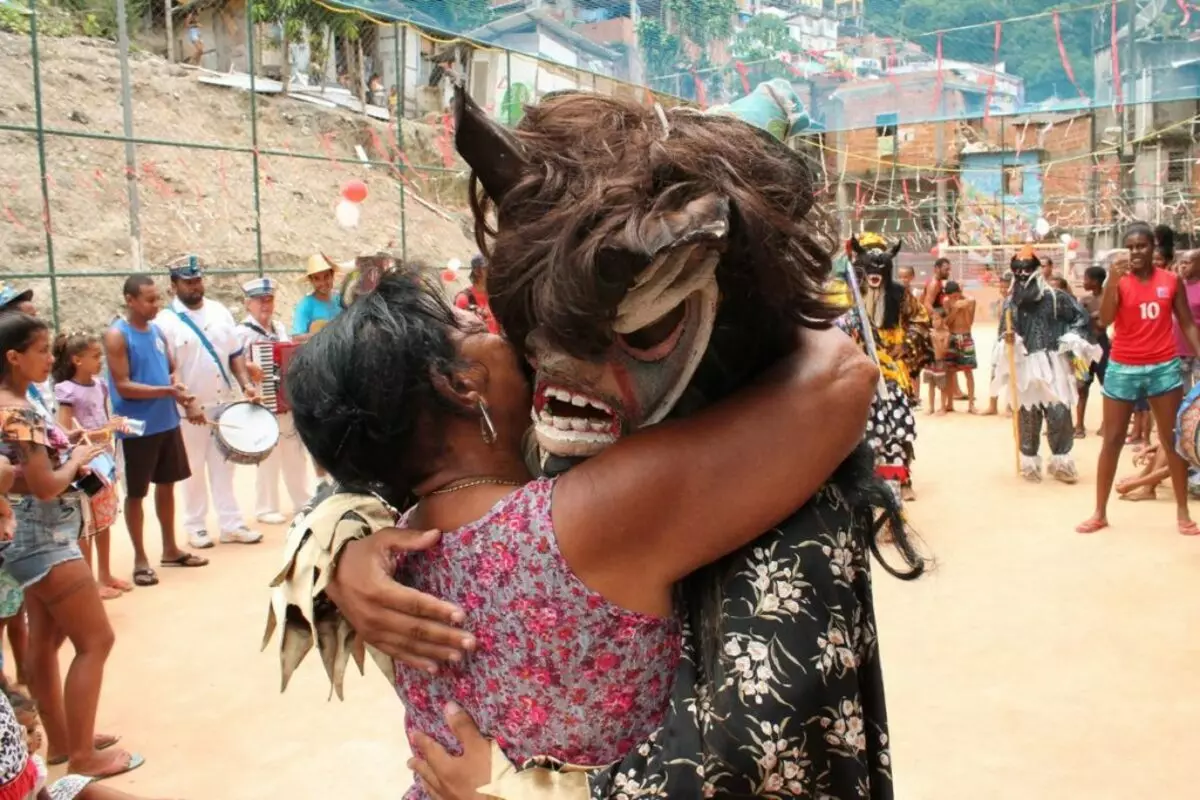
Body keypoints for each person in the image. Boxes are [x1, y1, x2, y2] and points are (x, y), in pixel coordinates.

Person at [272, 80, 923, 799]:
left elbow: (839, 377)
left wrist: (339, 539)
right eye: (503, 329)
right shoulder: (563, 483)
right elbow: (842, 376)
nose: (545, 358)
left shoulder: (419, 529)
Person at [0, 313, 143, 780]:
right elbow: (44, 485)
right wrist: (77, 459)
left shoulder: (13, 402)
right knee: (96, 639)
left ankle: (64, 739)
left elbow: (21, 472)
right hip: (43, 535)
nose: (49, 359)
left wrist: (67, 445)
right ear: (14, 357)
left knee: (45, 639)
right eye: (41, 351)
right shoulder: (18, 409)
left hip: (26, 535)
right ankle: (83, 756)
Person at [1078, 223, 1200, 535]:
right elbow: (1104, 321)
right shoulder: (1119, 281)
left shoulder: (1171, 281)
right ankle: (1100, 512)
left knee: (1172, 441)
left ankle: (1182, 513)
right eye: (1130, 247)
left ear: (1152, 248)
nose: (1136, 252)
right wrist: (1112, 283)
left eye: (1142, 246)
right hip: (1122, 367)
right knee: (1113, 440)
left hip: (1163, 367)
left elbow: (1186, 323)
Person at [104, 276, 206, 586]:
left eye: (157, 298)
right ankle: (140, 559)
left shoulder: (157, 331)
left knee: (167, 485)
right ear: (130, 300)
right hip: (136, 428)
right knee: (136, 494)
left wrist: (177, 387)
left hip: (166, 422)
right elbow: (123, 386)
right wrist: (168, 392)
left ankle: (170, 549)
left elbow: (171, 366)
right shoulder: (117, 336)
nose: (155, 305)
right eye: (148, 299)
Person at [154, 256, 261, 548]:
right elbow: (167, 367)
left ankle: (231, 524)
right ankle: (196, 526)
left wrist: (247, 386)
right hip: (188, 410)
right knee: (192, 468)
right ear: (174, 284)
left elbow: (235, 355)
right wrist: (188, 403)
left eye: (198, 280)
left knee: (225, 465)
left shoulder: (219, 311)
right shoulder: (165, 322)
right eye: (188, 282)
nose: (195, 287)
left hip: (223, 402)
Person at [992, 247, 1098, 483]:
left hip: (1053, 363)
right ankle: (1029, 461)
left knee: (1059, 411)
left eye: (1027, 270)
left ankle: (1061, 462)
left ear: (1037, 270)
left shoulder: (1055, 297)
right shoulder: (1011, 305)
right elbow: (1004, 334)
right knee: (1028, 414)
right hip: (1026, 364)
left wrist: (1071, 339)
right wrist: (1009, 340)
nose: (1022, 276)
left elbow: (1080, 319)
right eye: (1017, 271)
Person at [843, 232, 931, 501]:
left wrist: (905, 344)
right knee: (857, 429)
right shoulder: (847, 295)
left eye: (881, 265)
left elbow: (920, 319)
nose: (875, 271)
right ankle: (861, 481)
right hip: (856, 371)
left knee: (896, 426)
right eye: (870, 264)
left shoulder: (901, 295)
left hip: (891, 372)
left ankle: (901, 480)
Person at [52, 333, 130, 601]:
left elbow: (103, 418)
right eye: (95, 356)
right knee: (88, 525)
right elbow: (64, 431)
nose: (100, 361)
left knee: (105, 520)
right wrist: (101, 432)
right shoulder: (67, 391)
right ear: (77, 360)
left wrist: (112, 425)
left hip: (105, 459)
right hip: (86, 465)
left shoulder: (100, 385)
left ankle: (105, 574)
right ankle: (89, 583)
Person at [0, 686, 171, 800]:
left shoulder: (32, 765)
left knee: (72, 784)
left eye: (31, 730)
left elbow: (42, 794)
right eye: (25, 733)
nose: (35, 737)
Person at [235, 278, 310, 524]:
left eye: (269, 299)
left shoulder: (278, 328)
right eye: (260, 300)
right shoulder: (241, 332)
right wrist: (248, 365)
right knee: (268, 455)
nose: (265, 304)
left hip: (283, 400)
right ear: (248, 304)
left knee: (294, 451)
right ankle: (266, 507)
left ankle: (302, 500)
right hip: (259, 397)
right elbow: (231, 361)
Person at [1075, 266, 1111, 438]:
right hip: (1084, 347)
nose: (1084, 282)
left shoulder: (1109, 299)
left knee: (1107, 387)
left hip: (1104, 346)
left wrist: (1093, 317)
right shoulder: (1084, 300)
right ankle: (1079, 425)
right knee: (1081, 386)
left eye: (1086, 279)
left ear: (1095, 281)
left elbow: (1104, 322)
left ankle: (1106, 424)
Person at [981, 270, 1014, 417]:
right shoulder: (1002, 301)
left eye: (1005, 287)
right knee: (994, 373)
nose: (1002, 290)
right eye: (1000, 287)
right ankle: (992, 405)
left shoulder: (1015, 302)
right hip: (999, 340)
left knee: (1013, 374)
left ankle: (1010, 406)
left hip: (1012, 341)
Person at [943, 279, 978, 413]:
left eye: (956, 295)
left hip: (966, 337)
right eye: (952, 297)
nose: (954, 298)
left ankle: (971, 405)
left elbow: (969, 323)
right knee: (950, 371)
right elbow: (947, 323)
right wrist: (955, 310)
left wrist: (965, 308)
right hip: (952, 337)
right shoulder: (947, 303)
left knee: (968, 371)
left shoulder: (970, 302)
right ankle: (950, 403)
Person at [292, 254, 343, 342]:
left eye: (326, 277)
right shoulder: (305, 305)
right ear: (311, 280)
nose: (322, 282)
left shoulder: (340, 301)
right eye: (317, 279)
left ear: (332, 275)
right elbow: (296, 338)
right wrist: (320, 335)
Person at [453, 255, 498, 334]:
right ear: (477, 271)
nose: (493, 272)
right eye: (488, 269)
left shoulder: (495, 295)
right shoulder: (464, 299)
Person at [925, 310, 951, 414]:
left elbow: (944, 351)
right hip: (931, 362)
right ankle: (931, 407)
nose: (934, 322)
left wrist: (936, 340)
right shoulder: (930, 332)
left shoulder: (946, 334)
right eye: (933, 320)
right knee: (931, 385)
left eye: (937, 319)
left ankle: (943, 407)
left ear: (943, 320)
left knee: (942, 386)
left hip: (941, 362)